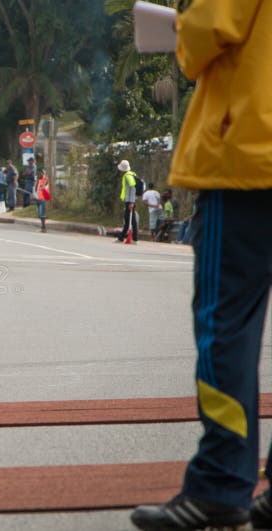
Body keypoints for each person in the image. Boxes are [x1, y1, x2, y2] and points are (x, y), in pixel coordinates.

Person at [130, 2, 272, 530]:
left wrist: (182, 29)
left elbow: (215, 25)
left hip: (247, 162)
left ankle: (221, 483)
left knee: (227, 327)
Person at [115, 159, 138, 244]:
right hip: (129, 200)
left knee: (131, 220)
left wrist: (131, 202)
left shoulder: (128, 176)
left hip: (130, 201)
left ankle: (133, 238)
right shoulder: (130, 174)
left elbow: (132, 188)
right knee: (129, 220)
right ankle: (122, 237)